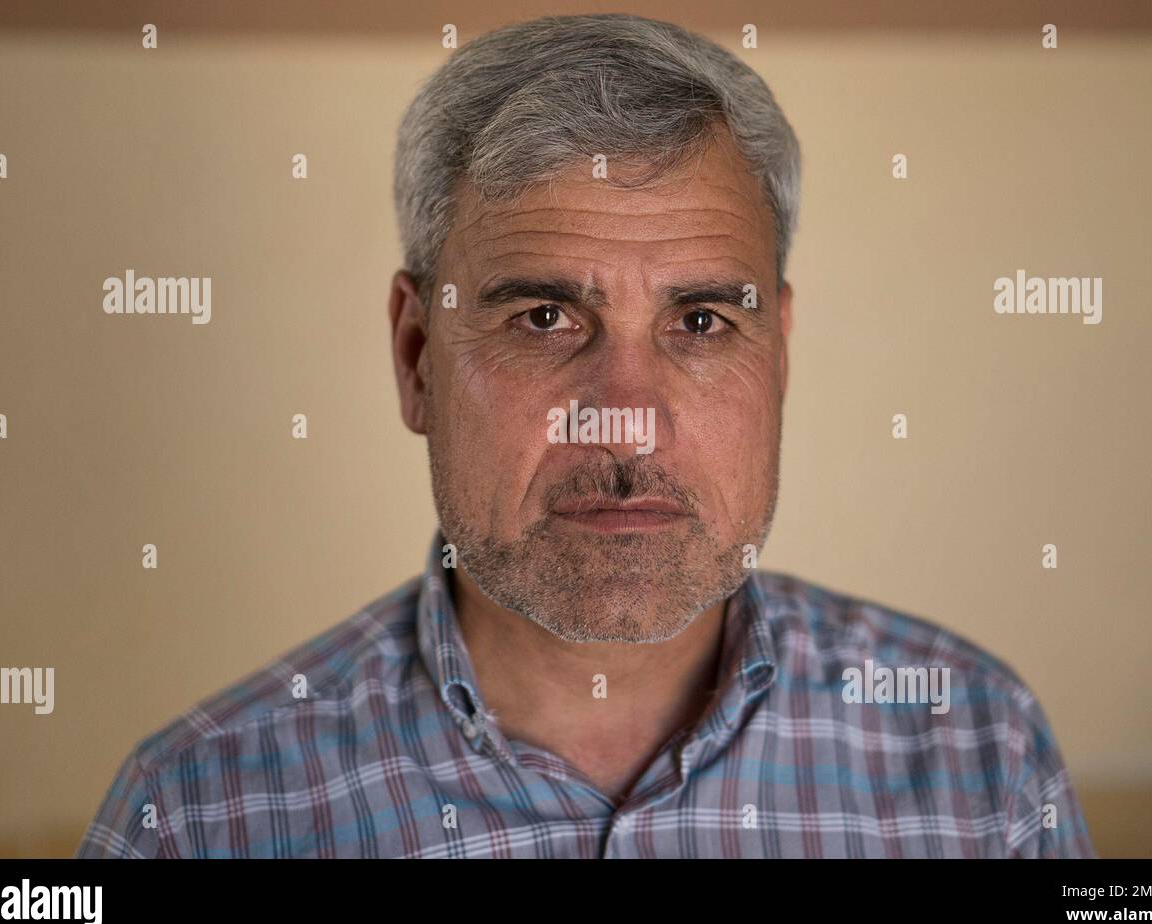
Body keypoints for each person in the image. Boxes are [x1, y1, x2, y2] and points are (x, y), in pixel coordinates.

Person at [77, 13, 1094, 858]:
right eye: (543, 319)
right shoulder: (200, 815)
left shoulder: (976, 755)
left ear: (777, 354)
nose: (628, 417)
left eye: (700, 322)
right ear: (417, 354)